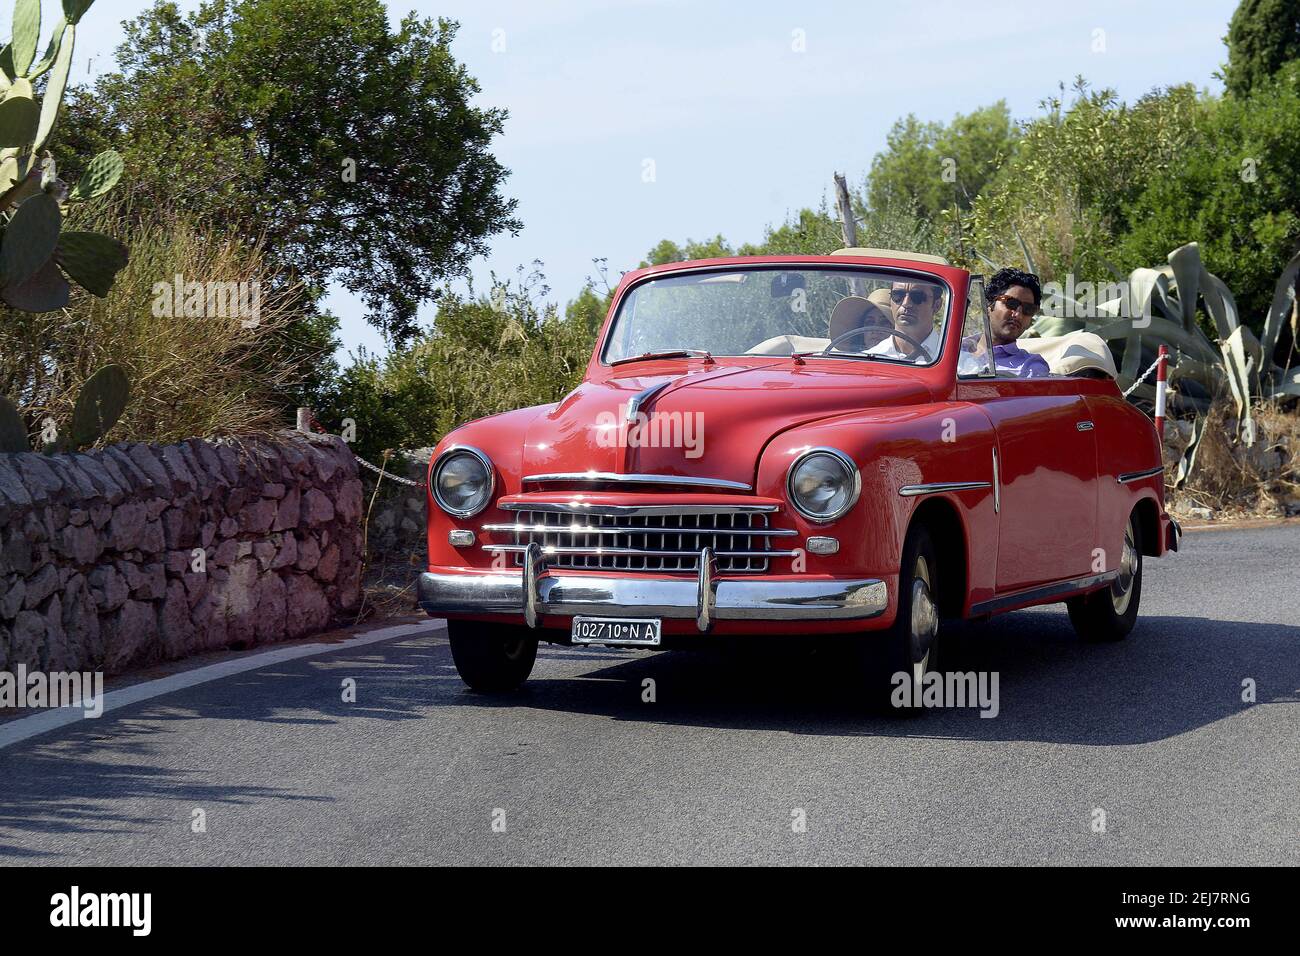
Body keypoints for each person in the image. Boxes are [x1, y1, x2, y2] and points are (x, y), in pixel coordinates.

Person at [964, 268, 1051, 378]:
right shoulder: (951, 350)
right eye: (1011, 303)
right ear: (988, 304)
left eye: (1028, 309)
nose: (1018, 315)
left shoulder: (1030, 368)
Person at [867, 281, 945, 362]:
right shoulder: (869, 359)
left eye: (917, 297)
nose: (906, 304)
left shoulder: (956, 365)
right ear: (890, 300)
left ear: (937, 305)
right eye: (897, 295)